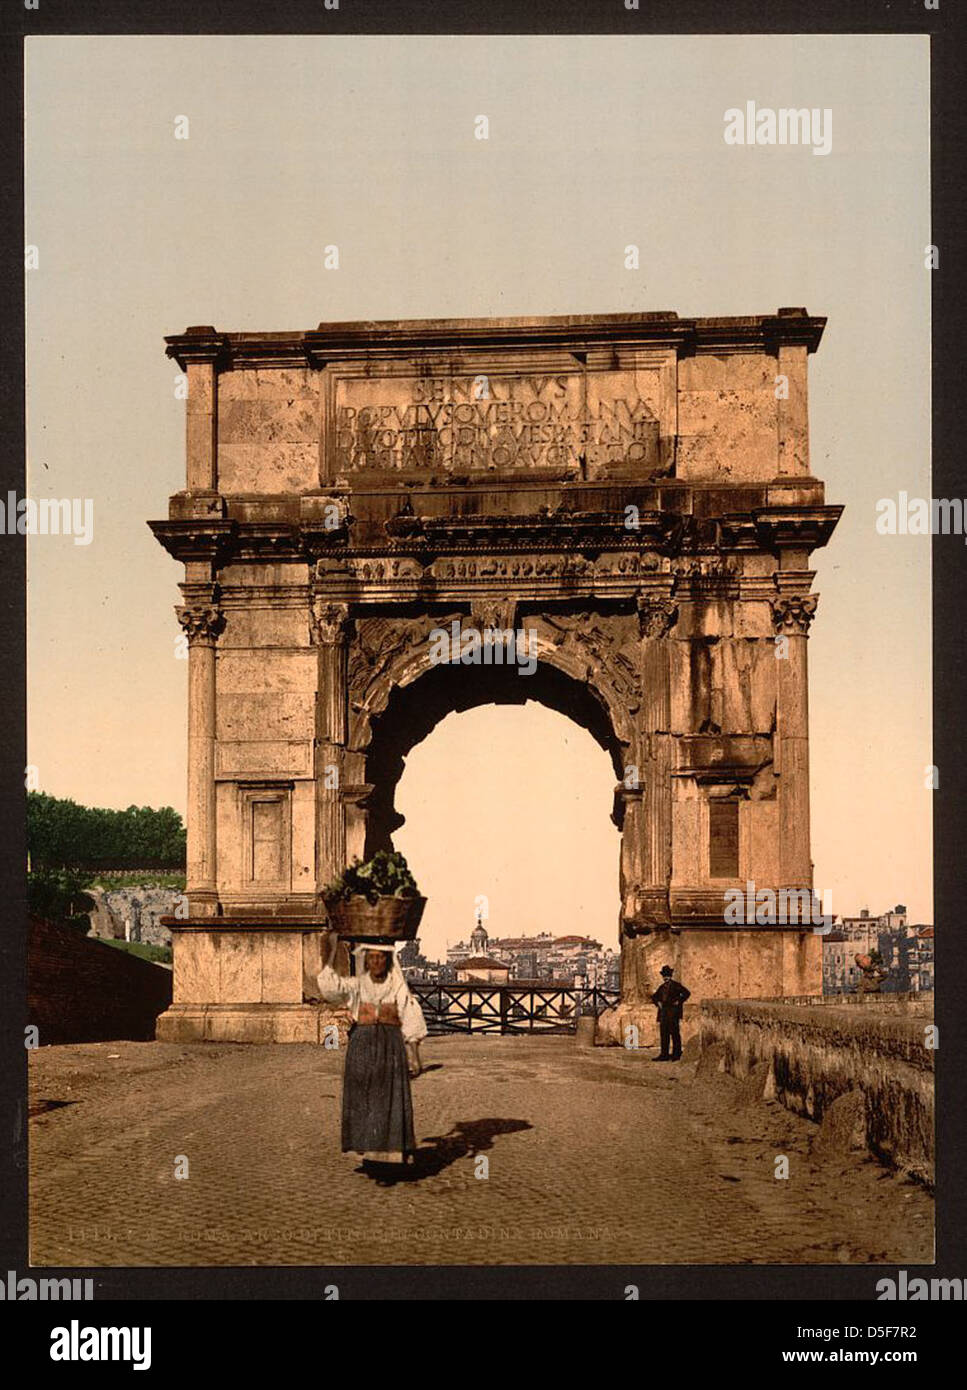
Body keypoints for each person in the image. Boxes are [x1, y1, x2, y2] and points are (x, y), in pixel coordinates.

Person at [317, 933, 428, 1169]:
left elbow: (410, 1015)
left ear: (388, 961)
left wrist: (415, 1056)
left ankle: (392, 1154)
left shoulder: (396, 985)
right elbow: (330, 987)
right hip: (362, 1044)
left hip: (391, 1046)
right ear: (366, 961)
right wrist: (333, 950)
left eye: (381, 958)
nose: (377, 962)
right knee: (365, 1096)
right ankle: (368, 1149)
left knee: (388, 1097)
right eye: (372, 958)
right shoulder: (357, 985)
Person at [651, 964, 690, 1062]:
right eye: (664, 976)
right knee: (664, 1034)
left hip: (673, 1013)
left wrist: (679, 1001)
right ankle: (664, 1054)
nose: (666, 978)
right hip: (664, 1013)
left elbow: (686, 993)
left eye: (667, 975)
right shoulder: (661, 987)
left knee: (675, 1034)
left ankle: (676, 1054)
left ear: (670, 975)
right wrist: (658, 1003)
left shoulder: (676, 985)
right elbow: (654, 997)